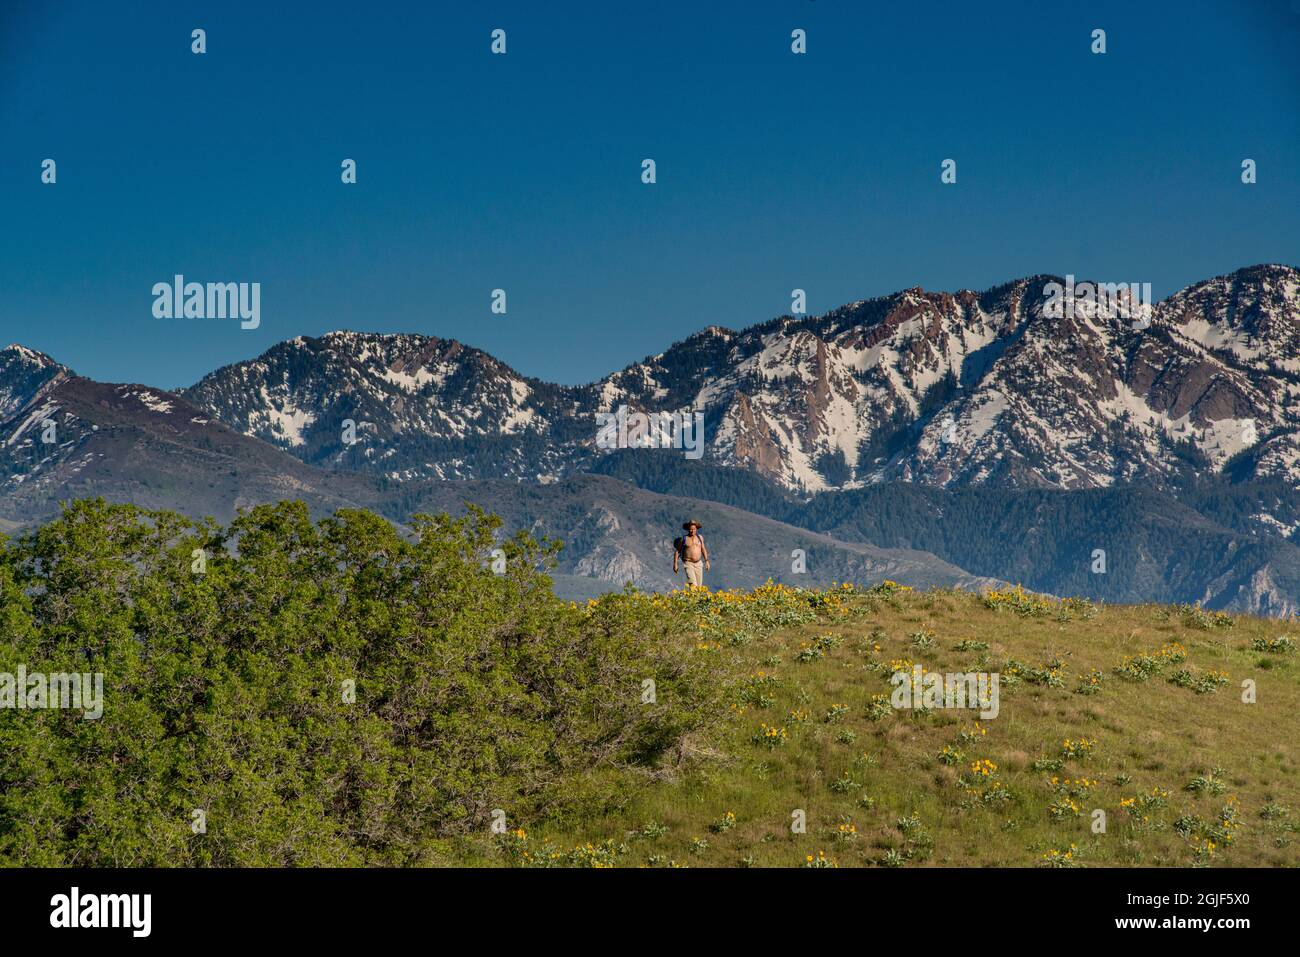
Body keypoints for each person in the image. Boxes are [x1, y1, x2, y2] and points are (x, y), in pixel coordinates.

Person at [673, 519, 710, 588]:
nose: (692, 531)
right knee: (693, 584)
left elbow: (703, 549)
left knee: (699, 586)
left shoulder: (700, 538)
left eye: (694, 529)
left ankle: (696, 598)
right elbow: (677, 551)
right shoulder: (684, 539)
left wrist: (706, 561)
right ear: (688, 529)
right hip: (688, 563)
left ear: (696, 529)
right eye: (690, 529)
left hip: (698, 563)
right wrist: (675, 564)